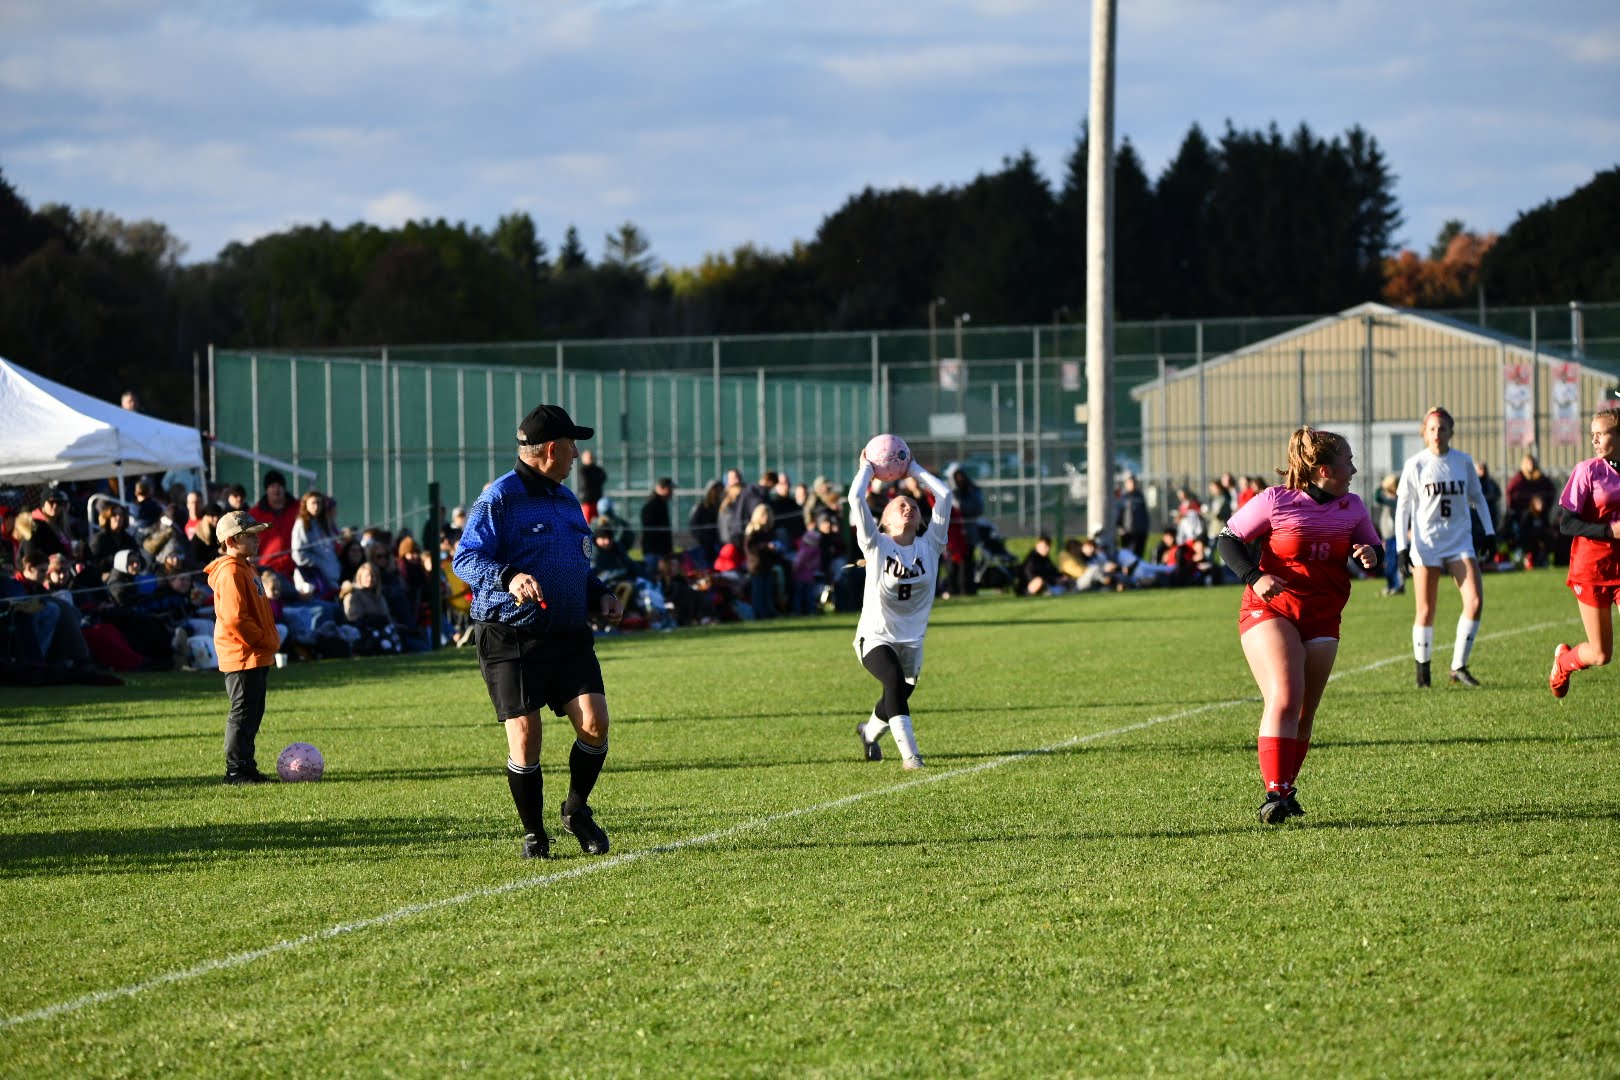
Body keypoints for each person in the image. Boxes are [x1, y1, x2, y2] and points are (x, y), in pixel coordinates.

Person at [453, 404, 622, 860]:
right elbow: (464, 559)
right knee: (525, 739)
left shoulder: (567, 500)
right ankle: (534, 833)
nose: (576, 454)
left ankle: (575, 810)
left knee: (595, 723)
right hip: (510, 637)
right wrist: (509, 577)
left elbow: (577, 564)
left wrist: (600, 593)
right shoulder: (499, 497)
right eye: (572, 445)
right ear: (551, 449)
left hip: (568, 634)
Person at [1215, 427, 1381, 824]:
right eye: (1349, 461)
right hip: (1271, 609)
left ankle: (1286, 789)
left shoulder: (1353, 507)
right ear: (1325, 469)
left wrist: (1371, 553)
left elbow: (1376, 547)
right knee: (1286, 696)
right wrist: (1254, 576)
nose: (1355, 469)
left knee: (1305, 713)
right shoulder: (1276, 500)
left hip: (1324, 613)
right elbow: (1226, 540)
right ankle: (1273, 793)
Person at [849, 451, 952, 770]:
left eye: (913, 505)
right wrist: (868, 468)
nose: (908, 506)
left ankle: (869, 733)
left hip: (912, 640)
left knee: (899, 694)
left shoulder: (930, 545)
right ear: (885, 520)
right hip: (875, 636)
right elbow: (855, 497)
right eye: (899, 505)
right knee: (893, 682)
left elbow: (944, 495)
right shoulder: (876, 544)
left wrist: (914, 469)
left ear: (922, 519)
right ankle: (911, 757)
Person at [1394, 407, 1495, 688]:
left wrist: (1489, 532)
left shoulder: (1463, 462)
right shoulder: (1416, 464)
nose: (1437, 434)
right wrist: (1402, 547)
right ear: (1424, 434)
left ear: (1452, 432)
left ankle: (1458, 666)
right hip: (1427, 544)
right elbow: (1402, 510)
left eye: (1443, 428)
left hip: (1459, 540)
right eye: (1432, 429)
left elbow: (1478, 498)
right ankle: (1423, 675)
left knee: (1474, 601)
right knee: (1426, 610)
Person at [1548, 407, 1620, 699]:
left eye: (1601, 433)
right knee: (1602, 655)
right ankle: (1564, 662)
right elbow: (1566, 523)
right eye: (1592, 435)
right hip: (1591, 569)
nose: (1595, 440)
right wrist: (1608, 531)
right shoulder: (1587, 471)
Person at [205, 510, 280, 785]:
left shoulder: (246, 567)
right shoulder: (230, 572)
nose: (259, 540)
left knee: (253, 710)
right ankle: (235, 770)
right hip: (243, 654)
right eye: (251, 535)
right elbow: (236, 618)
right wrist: (261, 639)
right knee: (243, 712)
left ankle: (247, 767)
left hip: (256, 654)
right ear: (232, 540)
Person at [248, 470, 299, 584]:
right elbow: (248, 542)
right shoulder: (255, 514)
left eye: (279, 486)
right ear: (266, 489)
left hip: (296, 568)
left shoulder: (298, 508)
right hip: (267, 571)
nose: (276, 489)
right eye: (272, 486)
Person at [291, 490, 343, 599]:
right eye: (313, 503)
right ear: (306, 505)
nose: (316, 506)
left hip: (331, 580)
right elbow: (298, 554)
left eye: (319, 503)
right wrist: (320, 565)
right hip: (313, 581)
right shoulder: (302, 524)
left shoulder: (324, 523)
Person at [639, 477, 676, 576]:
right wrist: (662, 554)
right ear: (661, 488)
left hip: (659, 552)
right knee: (654, 578)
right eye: (669, 489)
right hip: (655, 552)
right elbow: (652, 533)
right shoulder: (652, 506)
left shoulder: (661, 504)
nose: (671, 492)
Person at [1113, 475, 1150, 557]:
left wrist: (1145, 528)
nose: (1132, 484)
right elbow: (1118, 514)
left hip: (1140, 532)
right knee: (1128, 556)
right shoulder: (1123, 498)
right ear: (1126, 484)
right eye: (1130, 482)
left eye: (1134, 482)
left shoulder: (1140, 496)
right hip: (1128, 533)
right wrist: (1120, 528)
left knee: (1139, 555)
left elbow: (1144, 514)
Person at [576, 449, 607, 523]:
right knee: (587, 523)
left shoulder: (597, 469)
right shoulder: (583, 470)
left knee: (600, 523)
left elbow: (603, 477)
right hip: (587, 501)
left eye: (591, 457)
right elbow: (585, 483)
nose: (590, 459)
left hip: (598, 501)